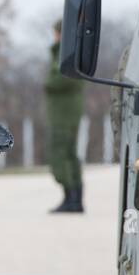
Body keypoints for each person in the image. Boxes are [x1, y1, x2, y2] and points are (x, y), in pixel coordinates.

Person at [46, 17, 86, 213]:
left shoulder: (66, 54)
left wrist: (47, 82)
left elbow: (57, 81)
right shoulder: (68, 53)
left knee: (60, 155)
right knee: (68, 155)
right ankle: (74, 199)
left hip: (63, 114)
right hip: (66, 112)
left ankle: (72, 199)